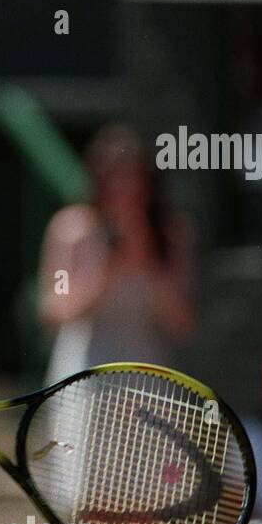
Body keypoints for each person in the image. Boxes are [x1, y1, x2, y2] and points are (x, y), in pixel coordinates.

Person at [37, 124, 193, 382]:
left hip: (150, 380)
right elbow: (56, 308)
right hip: (82, 379)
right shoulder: (71, 230)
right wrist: (105, 274)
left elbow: (183, 324)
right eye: (116, 179)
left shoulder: (171, 234)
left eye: (134, 179)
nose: (125, 190)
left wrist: (147, 259)